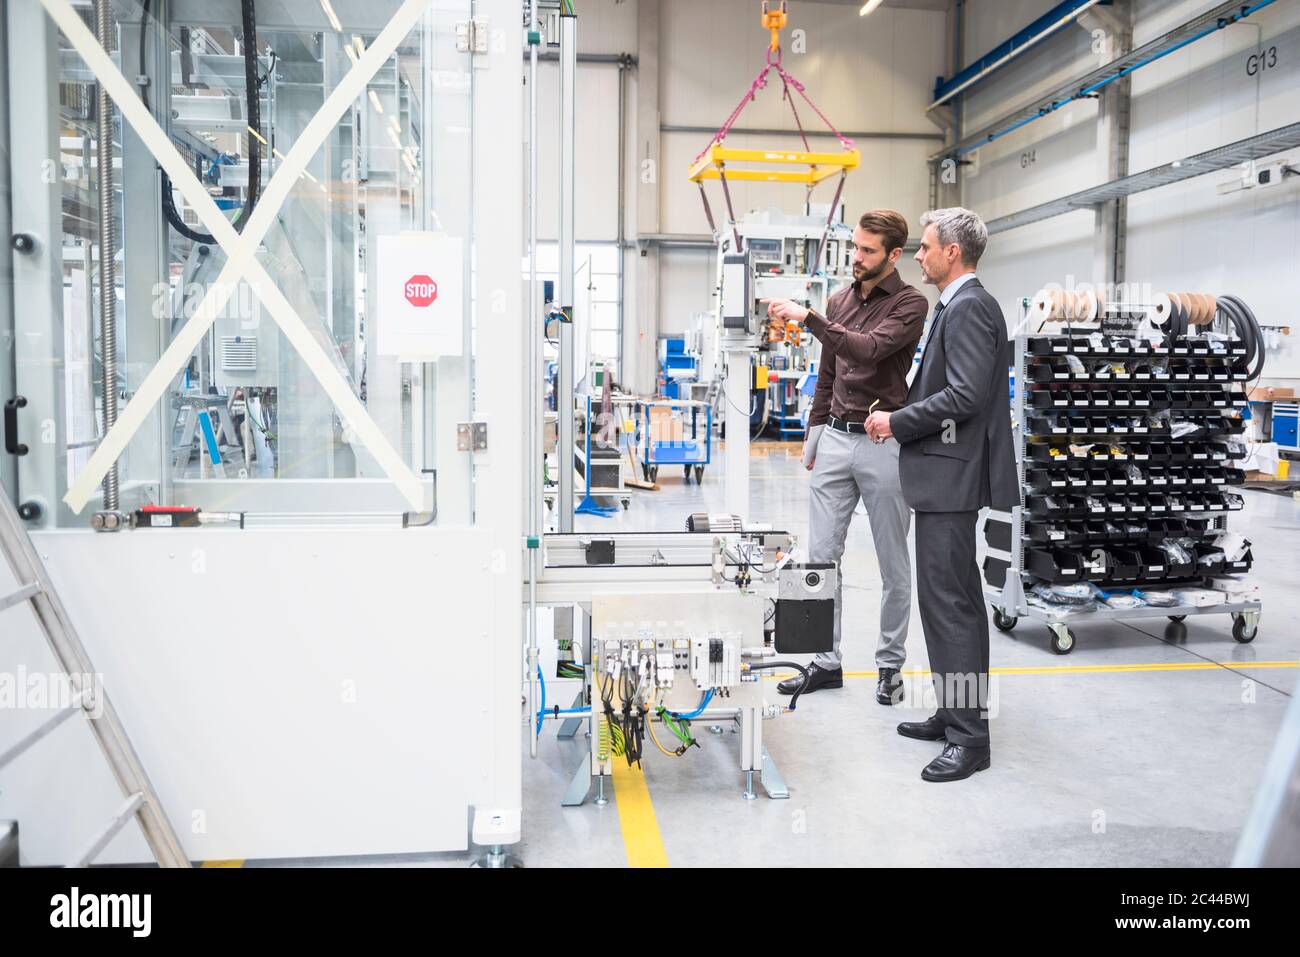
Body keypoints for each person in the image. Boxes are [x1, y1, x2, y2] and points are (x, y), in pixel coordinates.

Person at [864, 207, 1019, 782]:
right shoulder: (957, 306)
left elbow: (966, 396)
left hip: (951, 479)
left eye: (926, 247)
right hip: (940, 478)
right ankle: (954, 714)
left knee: (953, 606)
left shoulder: (972, 307)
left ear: (952, 252)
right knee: (944, 602)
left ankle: (970, 738)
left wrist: (897, 422)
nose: (919, 255)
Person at [763, 210, 927, 705]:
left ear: (893, 255)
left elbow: (866, 350)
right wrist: (814, 434)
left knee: (893, 565)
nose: (857, 258)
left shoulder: (909, 304)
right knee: (820, 559)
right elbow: (830, 372)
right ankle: (824, 662)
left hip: (884, 442)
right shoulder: (839, 298)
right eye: (855, 247)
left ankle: (889, 666)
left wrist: (809, 318)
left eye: (868, 251)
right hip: (835, 438)